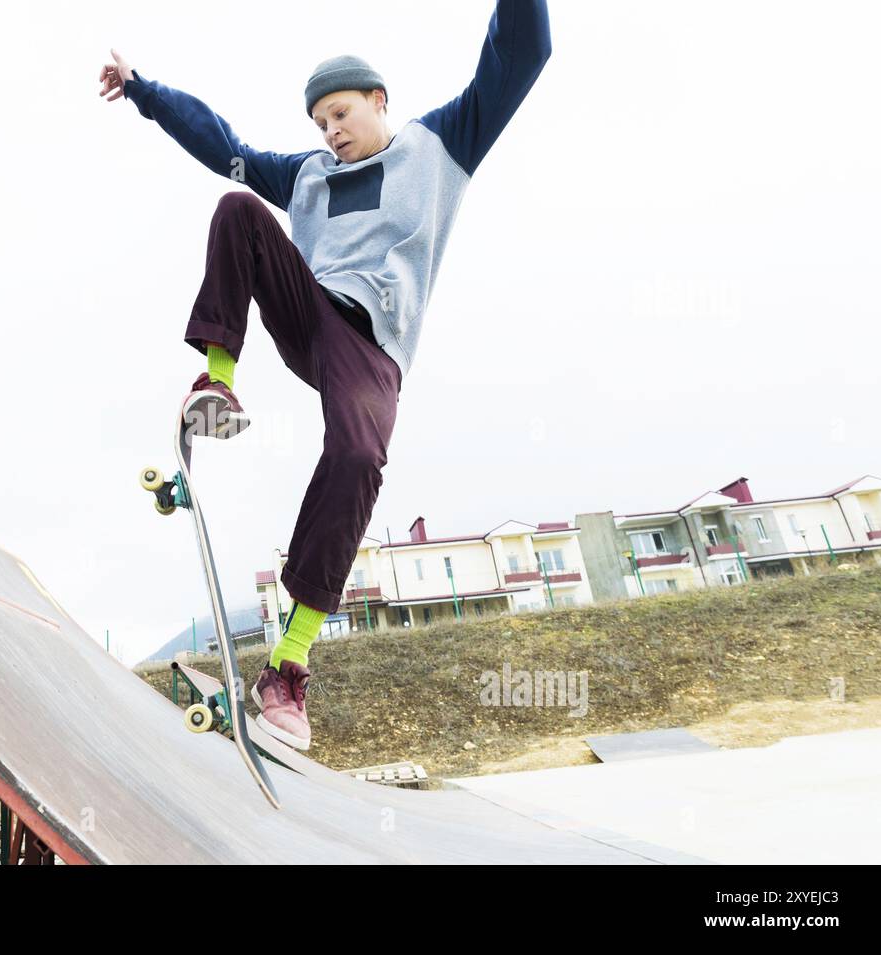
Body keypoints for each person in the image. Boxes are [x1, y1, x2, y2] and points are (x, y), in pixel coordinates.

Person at [99, 0, 551, 751]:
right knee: (238, 206)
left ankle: (289, 663)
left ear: (379, 102)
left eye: (340, 114)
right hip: (310, 318)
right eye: (319, 123)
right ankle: (217, 380)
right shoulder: (305, 175)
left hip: (373, 351)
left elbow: (517, 60)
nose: (331, 132)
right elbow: (223, 145)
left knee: (357, 457)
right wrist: (145, 91)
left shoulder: (441, 145)